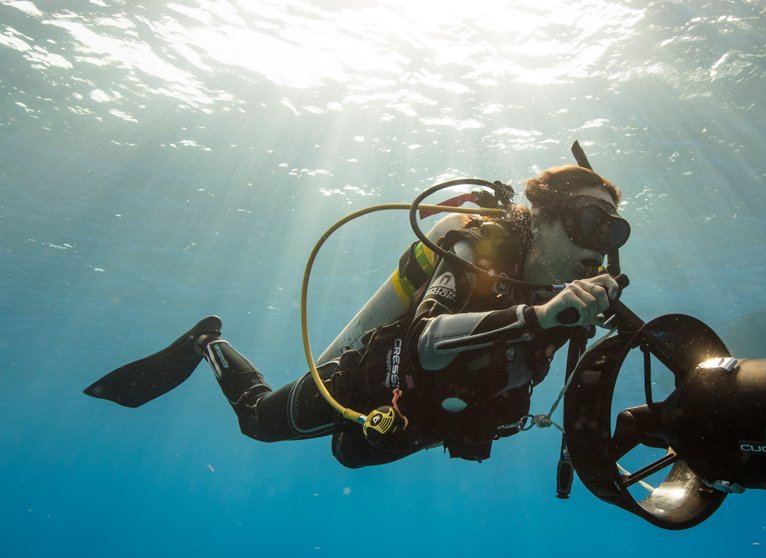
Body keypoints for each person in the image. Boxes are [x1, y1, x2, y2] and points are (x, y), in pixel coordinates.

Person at [84, 162, 629, 468]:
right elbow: (425, 338)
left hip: (426, 417)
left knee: (348, 453)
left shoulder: (575, 300)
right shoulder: (479, 249)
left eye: (613, 230)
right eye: (590, 220)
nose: (602, 242)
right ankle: (207, 340)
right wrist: (540, 316)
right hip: (365, 379)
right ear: (544, 217)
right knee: (258, 423)